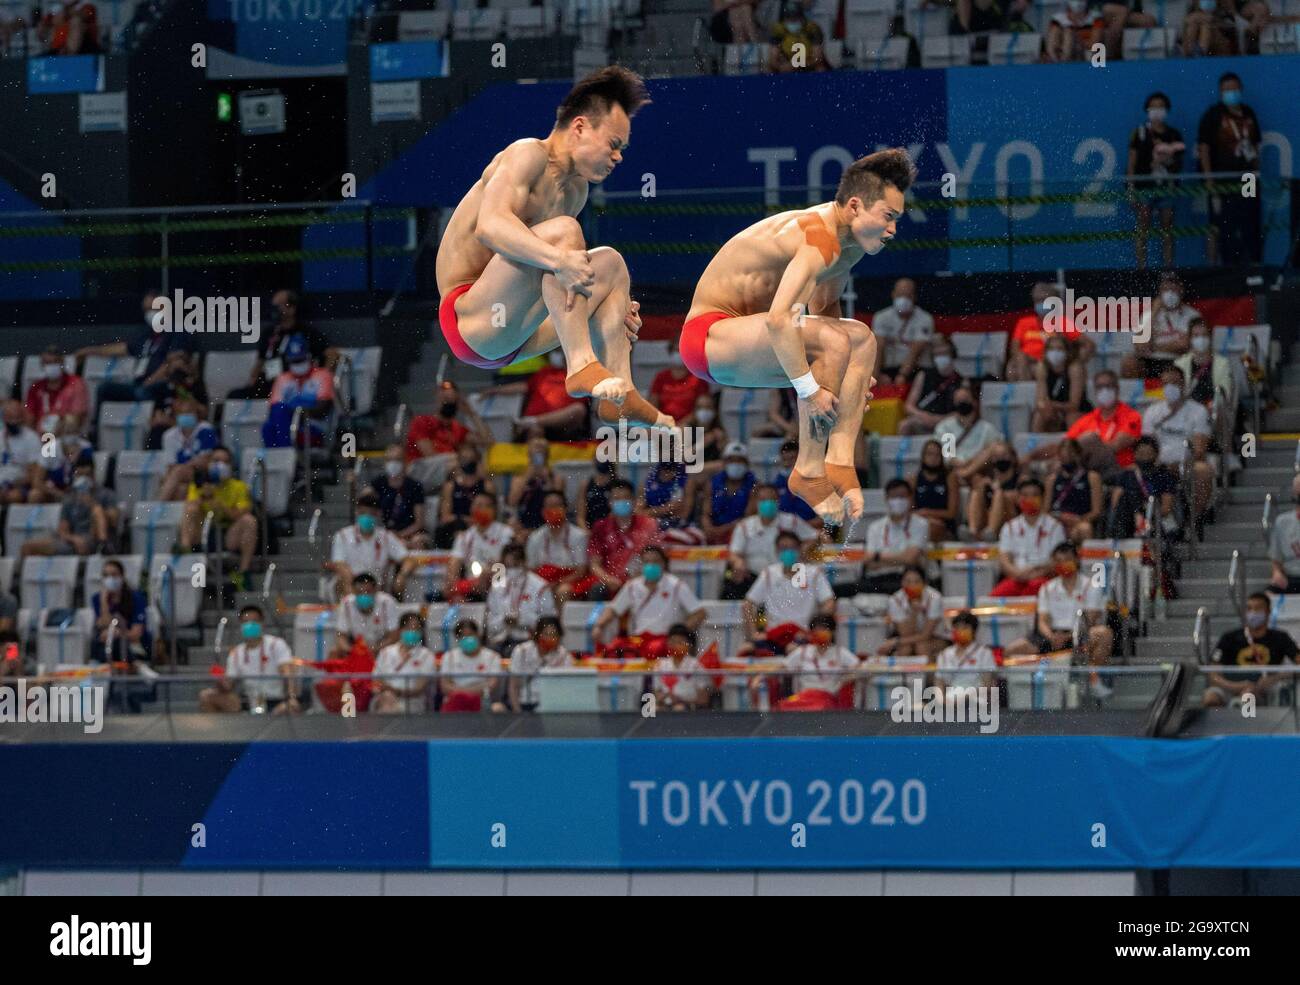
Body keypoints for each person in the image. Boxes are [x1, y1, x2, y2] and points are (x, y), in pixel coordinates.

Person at [681, 148, 913, 523]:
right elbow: (779, 320)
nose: (893, 230)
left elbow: (825, 314)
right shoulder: (819, 237)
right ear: (855, 206)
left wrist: (847, 377)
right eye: (889, 217)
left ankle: (838, 460)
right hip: (709, 338)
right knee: (835, 342)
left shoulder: (849, 245)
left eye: (898, 220)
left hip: (751, 344)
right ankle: (807, 468)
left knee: (862, 339)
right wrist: (810, 389)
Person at [434, 66, 669, 428]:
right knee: (564, 235)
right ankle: (580, 365)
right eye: (613, 144)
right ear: (579, 127)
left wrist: (608, 308)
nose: (619, 157)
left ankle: (620, 394)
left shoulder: (576, 190)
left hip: (517, 332)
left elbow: (557, 288)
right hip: (469, 317)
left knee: (611, 265)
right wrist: (561, 259)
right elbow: (490, 226)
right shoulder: (527, 154)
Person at [1005, 542, 1113, 684]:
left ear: (1076, 560)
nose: (1063, 564)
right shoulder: (1047, 588)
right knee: (1012, 650)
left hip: (1078, 634)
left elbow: (1090, 619)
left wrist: (1069, 636)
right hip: (1052, 635)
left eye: (1067, 560)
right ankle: (1020, 691)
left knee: (1103, 634)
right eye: (1058, 561)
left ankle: (1094, 681)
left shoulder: (1091, 585)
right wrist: (1052, 637)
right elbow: (1042, 621)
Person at [76, 289, 190, 405]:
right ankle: (96, 423)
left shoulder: (177, 331)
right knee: (104, 389)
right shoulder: (147, 334)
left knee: (141, 392)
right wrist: (89, 351)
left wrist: (148, 383)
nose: (150, 313)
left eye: (153, 309)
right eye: (146, 310)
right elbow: (122, 348)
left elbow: (171, 364)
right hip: (139, 383)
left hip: (160, 385)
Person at [1197, 72, 1262, 265]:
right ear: (1220, 92)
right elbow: (1204, 148)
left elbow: (1256, 146)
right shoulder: (1213, 115)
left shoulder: (1249, 113)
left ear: (1241, 90)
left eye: (1234, 89)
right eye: (1226, 90)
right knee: (1223, 224)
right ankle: (1228, 267)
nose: (1231, 93)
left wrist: (1257, 172)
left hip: (1248, 177)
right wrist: (1209, 181)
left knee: (1250, 219)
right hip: (1222, 178)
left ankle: (1253, 264)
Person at [1141, 364, 1213, 530]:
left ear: (1183, 384)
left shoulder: (1198, 411)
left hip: (1185, 463)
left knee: (1203, 470)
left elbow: (1200, 449)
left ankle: (1193, 522)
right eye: (1166, 384)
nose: (1170, 388)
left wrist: (1180, 464)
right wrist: (1159, 464)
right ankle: (1147, 524)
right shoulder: (1152, 412)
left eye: (1175, 383)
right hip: (1158, 464)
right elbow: (1146, 447)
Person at [227, 289, 333, 400]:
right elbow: (260, 361)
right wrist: (254, 378)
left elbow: (332, 354)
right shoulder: (269, 333)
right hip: (269, 382)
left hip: (292, 384)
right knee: (235, 396)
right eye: (273, 306)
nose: (275, 310)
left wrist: (320, 379)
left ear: (292, 308)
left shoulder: (306, 332)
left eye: (278, 306)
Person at [179, 446, 259, 590]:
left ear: (230, 466)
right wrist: (205, 496)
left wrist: (219, 504)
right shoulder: (199, 484)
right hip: (202, 531)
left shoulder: (239, 487)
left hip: (227, 534)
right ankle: (185, 552)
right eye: (216, 461)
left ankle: (243, 573)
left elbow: (241, 513)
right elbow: (191, 505)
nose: (220, 465)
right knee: (190, 509)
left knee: (249, 521)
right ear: (209, 463)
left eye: (225, 462)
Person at [199, 604, 298, 714]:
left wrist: (291, 697)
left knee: (290, 707)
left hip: (275, 700)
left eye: (254, 621)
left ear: (262, 623)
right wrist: (221, 683)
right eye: (245, 621)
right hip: (249, 701)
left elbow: (287, 672)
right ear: (241, 625)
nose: (250, 625)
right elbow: (229, 686)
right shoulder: (236, 653)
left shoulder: (276, 644)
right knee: (206, 696)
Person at [1203, 592, 1296, 707]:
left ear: (1268, 612)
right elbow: (1212, 673)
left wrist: (1275, 678)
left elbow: (1298, 664)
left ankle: (1246, 722)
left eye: (1257, 609)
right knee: (1211, 697)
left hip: (1265, 690)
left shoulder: (1280, 638)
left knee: (1248, 696)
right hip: (1230, 686)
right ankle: (1214, 724)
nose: (1253, 613)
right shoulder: (1230, 637)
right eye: (1249, 608)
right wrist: (1235, 686)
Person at [594, 545, 706, 641]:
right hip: (638, 640)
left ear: (664, 564)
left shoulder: (677, 585)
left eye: (655, 561)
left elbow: (700, 613)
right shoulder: (632, 586)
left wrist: (680, 633)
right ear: (641, 565)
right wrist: (599, 626)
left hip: (665, 641)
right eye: (647, 562)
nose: (651, 565)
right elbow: (613, 609)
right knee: (616, 649)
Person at [725, 483, 816, 599]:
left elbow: (813, 536)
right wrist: (737, 562)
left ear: (778, 501)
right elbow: (734, 552)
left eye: (771, 499)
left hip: (785, 575)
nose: (767, 503)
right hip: (753, 577)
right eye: (763, 500)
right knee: (733, 582)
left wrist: (803, 549)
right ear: (755, 503)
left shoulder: (791, 521)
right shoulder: (744, 526)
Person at [743, 530, 836, 643]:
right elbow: (748, 604)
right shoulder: (768, 574)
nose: (788, 552)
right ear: (777, 551)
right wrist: (754, 634)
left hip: (804, 635)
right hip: (774, 636)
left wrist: (816, 630)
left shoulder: (814, 573)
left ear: (799, 549)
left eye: (792, 548)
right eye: (783, 548)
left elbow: (829, 602)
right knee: (745, 650)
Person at [1041, 369, 1142, 472]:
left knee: (1090, 439)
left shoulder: (1131, 416)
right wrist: (1031, 457)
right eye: (1100, 387)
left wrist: (1087, 446)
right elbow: (1067, 444)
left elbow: (1115, 446)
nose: (1105, 391)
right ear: (1095, 391)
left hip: (1117, 468)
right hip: (1088, 469)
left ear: (1117, 389)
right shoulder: (1087, 419)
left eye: (1108, 386)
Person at [1127, 93, 1185, 270]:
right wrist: (1130, 189)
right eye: (1153, 107)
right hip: (1144, 188)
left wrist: (1166, 161)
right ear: (1147, 110)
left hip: (1166, 188)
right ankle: (1141, 269)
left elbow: (1178, 164)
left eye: (1161, 106)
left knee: (1167, 228)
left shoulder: (1174, 134)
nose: (1157, 111)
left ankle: (1168, 269)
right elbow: (1131, 162)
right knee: (1142, 228)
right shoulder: (1140, 132)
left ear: (1166, 110)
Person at [480, 350, 589, 442]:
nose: (564, 357)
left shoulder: (579, 378)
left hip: (560, 424)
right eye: (563, 354)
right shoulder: (546, 371)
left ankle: (531, 422)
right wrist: (495, 390)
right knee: (535, 430)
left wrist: (534, 421)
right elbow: (524, 387)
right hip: (532, 424)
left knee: (578, 409)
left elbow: (580, 408)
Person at [406, 380, 493, 492]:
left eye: (452, 399)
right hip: (420, 471)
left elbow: (488, 441)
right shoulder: (422, 421)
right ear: (438, 399)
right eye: (445, 398)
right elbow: (429, 455)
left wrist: (472, 413)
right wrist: (460, 459)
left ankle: (480, 498)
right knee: (461, 461)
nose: (448, 402)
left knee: (478, 465)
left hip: (448, 470)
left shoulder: (457, 428)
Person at [326, 492, 415, 600]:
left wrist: (402, 576)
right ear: (357, 512)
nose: (366, 517)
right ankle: (350, 608)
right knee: (343, 580)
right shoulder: (342, 536)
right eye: (363, 513)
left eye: (371, 514)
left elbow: (409, 559)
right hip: (351, 586)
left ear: (377, 514)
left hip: (376, 589)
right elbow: (339, 564)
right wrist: (357, 589)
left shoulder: (386, 537)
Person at [20, 458, 111, 558]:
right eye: (80, 475)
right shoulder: (70, 498)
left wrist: (92, 504)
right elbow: (63, 530)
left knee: (97, 510)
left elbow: (114, 520)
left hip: (93, 539)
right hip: (73, 541)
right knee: (27, 547)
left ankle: (102, 548)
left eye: (87, 475)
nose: (84, 479)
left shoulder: (105, 494)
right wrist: (74, 539)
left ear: (93, 475)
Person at [766, 613, 861, 706]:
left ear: (832, 632)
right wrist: (760, 677)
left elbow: (859, 667)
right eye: (817, 630)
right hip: (803, 697)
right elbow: (781, 667)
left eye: (824, 629)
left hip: (827, 699)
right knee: (782, 706)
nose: (820, 632)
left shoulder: (840, 653)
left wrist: (844, 679)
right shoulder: (802, 651)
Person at [992, 477, 1067, 596]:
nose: (1029, 499)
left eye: (1034, 495)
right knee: (993, 599)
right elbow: (1004, 559)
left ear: (1042, 498)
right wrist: (1017, 574)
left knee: (1033, 589)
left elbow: (1058, 560)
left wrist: (1035, 574)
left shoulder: (1055, 527)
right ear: (1018, 499)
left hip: (1044, 578)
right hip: (1017, 577)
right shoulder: (1010, 527)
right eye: (1025, 495)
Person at [587, 479, 660, 597]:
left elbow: (656, 559)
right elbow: (594, 564)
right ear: (610, 502)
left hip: (640, 579)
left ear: (634, 501)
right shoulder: (600, 527)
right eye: (616, 498)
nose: (621, 501)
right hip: (610, 582)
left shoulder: (649, 524)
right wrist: (608, 579)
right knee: (597, 589)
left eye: (626, 498)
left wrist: (636, 579)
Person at [1007, 283, 1091, 381]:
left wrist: (1074, 362)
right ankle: (1025, 389)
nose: (1041, 304)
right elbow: (1014, 348)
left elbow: (1088, 344)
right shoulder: (1024, 323)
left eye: (1044, 300)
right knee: (1015, 364)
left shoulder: (1062, 322)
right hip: (1027, 362)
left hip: (1051, 363)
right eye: (1038, 300)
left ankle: (1026, 389)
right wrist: (1024, 359)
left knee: (1033, 367)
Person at [1121, 272, 1198, 379]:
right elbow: (1140, 346)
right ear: (1159, 293)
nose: (1170, 293)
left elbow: (1183, 346)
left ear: (1181, 291)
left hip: (1178, 361)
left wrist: (1152, 347)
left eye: (1173, 289)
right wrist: (1154, 312)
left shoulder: (1191, 315)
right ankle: (1135, 395)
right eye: (1165, 290)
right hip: (1151, 361)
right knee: (1129, 363)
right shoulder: (1149, 315)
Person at [484, 542, 557, 654]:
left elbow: (549, 622)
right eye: (508, 566)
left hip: (529, 639)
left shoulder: (540, 586)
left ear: (524, 562)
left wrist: (522, 620)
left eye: (515, 565)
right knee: (489, 655)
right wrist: (503, 620)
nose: (511, 570)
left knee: (512, 652)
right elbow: (490, 623)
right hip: (501, 638)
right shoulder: (497, 586)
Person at [862, 478, 931, 595]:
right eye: (894, 497)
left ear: (910, 498)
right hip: (877, 580)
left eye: (902, 496)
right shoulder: (875, 527)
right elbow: (868, 561)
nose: (898, 501)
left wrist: (878, 556)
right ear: (886, 499)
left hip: (906, 581)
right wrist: (901, 558)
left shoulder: (921, 524)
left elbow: (911, 559)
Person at [525, 489, 592, 604]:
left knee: (562, 592)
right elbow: (531, 569)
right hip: (542, 580)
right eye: (549, 506)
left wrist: (557, 583)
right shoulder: (535, 537)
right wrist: (543, 584)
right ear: (543, 511)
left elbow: (581, 570)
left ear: (565, 509)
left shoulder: (579, 536)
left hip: (570, 579)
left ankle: (560, 622)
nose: (553, 509)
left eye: (557, 505)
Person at [444, 493, 515, 600]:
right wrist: (453, 587)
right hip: (473, 586)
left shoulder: (505, 532)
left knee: (498, 571)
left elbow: (508, 561)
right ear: (471, 509)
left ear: (494, 510)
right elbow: (454, 563)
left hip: (499, 581)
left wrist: (487, 574)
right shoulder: (465, 537)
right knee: (451, 590)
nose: (483, 509)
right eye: (479, 506)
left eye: (488, 506)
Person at [267, 335, 335, 445]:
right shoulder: (282, 378)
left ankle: (286, 453)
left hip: (312, 426)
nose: (298, 364)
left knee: (282, 420)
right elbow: (274, 408)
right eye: (294, 361)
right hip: (287, 425)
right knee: (268, 428)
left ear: (309, 357)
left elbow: (323, 409)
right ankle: (280, 456)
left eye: (300, 360)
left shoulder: (323, 375)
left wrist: (296, 412)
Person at [1109, 435, 1179, 539]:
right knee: (1125, 498)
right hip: (1129, 520)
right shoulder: (1126, 475)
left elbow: (1166, 508)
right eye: (1141, 454)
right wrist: (1136, 513)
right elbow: (1115, 503)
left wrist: (1146, 516)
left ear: (1156, 454)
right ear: (1135, 454)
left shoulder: (1164, 476)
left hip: (1155, 520)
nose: (1145, 458)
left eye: (1148, 454)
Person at [364, 445, 430, 550]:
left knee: (418, 541)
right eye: (389, 460)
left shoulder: (415, 486)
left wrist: (400, 535)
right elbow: (364, 505)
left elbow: (419, 522)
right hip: (385, 533)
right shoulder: (378, 483)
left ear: (405, 462)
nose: (393, 464)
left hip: (409, 533)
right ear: (385, 463)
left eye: (397, 460)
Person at [932, 384, 1002, 482]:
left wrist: (970, 464)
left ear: (975, 402)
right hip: (952, 471)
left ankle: (966, 473)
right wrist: (962, 464)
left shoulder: (986, 428)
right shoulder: (946, 427)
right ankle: (965, 474)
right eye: (958, 400)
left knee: (994, 447)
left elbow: (998, 450)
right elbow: (948, 456)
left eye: (965, 399)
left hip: (978, 470)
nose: (962, 402)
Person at [371, 611, 437, 714]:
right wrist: (387, 692)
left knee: (389, 708)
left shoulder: (427, 656)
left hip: (412, 702)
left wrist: (395, 692)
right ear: (400, 630)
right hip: (384, 697)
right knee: (386, 702)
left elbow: (419, 688)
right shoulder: (385, 652)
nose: (412, 632)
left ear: (421, 632)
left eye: (416, 629)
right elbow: (376, 680)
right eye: (409, 628)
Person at [433, 446, 499, 549]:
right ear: (459, 462)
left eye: (471, 459)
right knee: (453, 529)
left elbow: (492, 516)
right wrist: (464, 520)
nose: (468, 462)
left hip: (480, 526)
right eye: (464, 459)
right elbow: (445, 517)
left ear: (477, 461)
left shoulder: (487, 486)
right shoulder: (450, 486)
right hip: (456, 525)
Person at [871, 277, 935, 384]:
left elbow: (916, 350)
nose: (903, 299)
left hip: (916, 370)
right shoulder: (881, 317)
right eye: (900, 295)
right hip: (888, 369)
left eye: (907, 295)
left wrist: (903, 375)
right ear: (893, 294)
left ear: (914, 297)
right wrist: (875, 376)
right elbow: (878, 347)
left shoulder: (925, 318)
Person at [88, 558, 150, 665]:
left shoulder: (136, 598)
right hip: (109, 645)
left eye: (114, 574)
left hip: (132, 645)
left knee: (118, 644)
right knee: (98, 645)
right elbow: (104, 626)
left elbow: (136, 634)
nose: (110, 579)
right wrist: (104, 602)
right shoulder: (97, 598)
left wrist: (118, 634)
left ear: (122, 576)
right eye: (106, 575)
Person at [507, 615, 574, 712]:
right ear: (538, 634)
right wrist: (518, 712)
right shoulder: (522, 651)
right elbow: (513, 686)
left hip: (552, 706)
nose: (550, 638)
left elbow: (566, 689)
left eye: (554, 634)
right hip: (526, 703)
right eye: (546, 634)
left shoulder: (564, 656)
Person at [157, 397, 219, 501]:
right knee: (182, 489)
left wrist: (183, 468)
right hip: (180, 478)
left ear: (196, 414)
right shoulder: (169, 435)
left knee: (177, 472)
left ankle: (156, 506)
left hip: (204, 474)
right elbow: (170, 465)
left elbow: (205, 461)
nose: (186, 416)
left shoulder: (205, 429)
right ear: (176, 415)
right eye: (182, 413)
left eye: (190, 412)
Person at [899, 336, 963, 435]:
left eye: (944, 353)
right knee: (905, 425)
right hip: (923, 419)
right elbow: (909, 406)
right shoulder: (923, 375)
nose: (940, 357)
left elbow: (960, 412)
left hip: (947, 421)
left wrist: (938, 419)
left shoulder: (960, 380)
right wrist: (924, 416)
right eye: (937, 354)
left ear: (952, 354)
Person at [878, 565, 946, 658]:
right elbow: (906, 634)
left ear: (924, 583)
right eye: (908, 581)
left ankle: (928, 673)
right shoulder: (895, 600)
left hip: (937, 638)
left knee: (921, 647)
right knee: (905, 649)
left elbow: (926, 635)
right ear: (902, 583)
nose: (912, 586)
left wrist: (895, 642)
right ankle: (901, 673)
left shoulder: (934, 598)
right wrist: (914, 613)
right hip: (909, 639)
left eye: (917, 582)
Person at [439, 618, 505, 712]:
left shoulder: (493, 657)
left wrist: (460, 690)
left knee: (498, 708)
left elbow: (491, 686)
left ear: (478, 635)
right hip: (455, 703)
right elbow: (445, 687)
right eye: (463, 636)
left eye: (470, 635)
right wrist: (478, 687)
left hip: (482, 702)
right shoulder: (449, 657)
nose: (467, 638)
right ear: (457, 639)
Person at [1044, 438, 1103, 541]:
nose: (1068, 459)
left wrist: (1078, 520)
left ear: (1079, 455)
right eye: (1064, 457)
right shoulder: (1052, 480)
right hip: (1057, 520)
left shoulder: (1092, 477)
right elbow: (1045, 510)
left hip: (1080, 520)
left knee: (1085, 529)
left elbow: (1096, 511)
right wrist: (1060, 518)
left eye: (1071, 455)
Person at [334, 571, 401, 660]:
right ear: (353, 591)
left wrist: (376, 649)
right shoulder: (346, 603)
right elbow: (341, 636)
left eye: (367, 592)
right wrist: (351, 651)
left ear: (376, 590)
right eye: (359, 592)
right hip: (357, 647)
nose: (363, 595)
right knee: (334, 652)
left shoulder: (387, 602)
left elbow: (394, 636)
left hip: (382, 647)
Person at [24, 346, 87, 436]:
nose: (51, 366)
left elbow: (78, 417)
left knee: (70, 420)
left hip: (66, 435)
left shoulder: (76, 384)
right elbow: (29, 417)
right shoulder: (36, 387)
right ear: (42, 365)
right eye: (47, 363)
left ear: (62, 362)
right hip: (40, 436)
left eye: (55, 362)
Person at [701, 441, 756, 544]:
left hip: (740, 531)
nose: (735, 464)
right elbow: (705, 513)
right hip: (714, 530)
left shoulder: (753, 485)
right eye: (731, 460)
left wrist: (723, 530)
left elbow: (748, 517)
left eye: (739, 461)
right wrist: (708, 527)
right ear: (724, 463)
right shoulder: (713, 483)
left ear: (747, 464)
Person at [966, 442, 1022, 541]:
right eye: (997, 456)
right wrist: (981, 488)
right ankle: (972, 531)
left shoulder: (1020, 479)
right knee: (976, 493)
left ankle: (991, 531)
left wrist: (998, 490)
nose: (1000, 459)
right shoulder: (987, 480)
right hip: (985, 521)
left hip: (1010, 520)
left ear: (1013, 458)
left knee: (999, 494)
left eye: (1004, 455)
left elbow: (1020, 499)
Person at [1174, 317, 1234, 411]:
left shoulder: (1223, 364)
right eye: (1196, 335)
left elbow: (1225, 394)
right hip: (1188, 414)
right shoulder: (1179, 364)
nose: (1201, 339)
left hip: (1215, 412)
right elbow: (1176, 395)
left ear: (1210, 337)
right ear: (1190, 339)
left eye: (1204, 335)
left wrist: (1210, 407)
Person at [1031, 333, 1087, 432]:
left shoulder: (1075, 367)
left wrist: (1053, 405)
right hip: (1054, 410)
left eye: (1059, 349)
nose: (1055, 352)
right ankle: (1033, 444)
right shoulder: (1042, 367)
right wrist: (1046, 408)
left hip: (1076, 410)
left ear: (1067, 351)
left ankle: (1071, 446)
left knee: (1071, 418)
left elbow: (1075, 405)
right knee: (1039, 415)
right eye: (1051, 349)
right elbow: (1040, 400)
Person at [648, 341, 712, 426]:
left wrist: (682, 425)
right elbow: (653, 405)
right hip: (663, 425)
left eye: (681, 350)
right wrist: (662, 424)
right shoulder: (661, 377)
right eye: (676, 350)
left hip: (689, 425)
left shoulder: (698, 378)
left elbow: (703, 406)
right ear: (670, 353)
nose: (678, 353)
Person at [641, 459, 703, 545]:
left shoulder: (687, 480)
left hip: (681, 526)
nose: (666, 473)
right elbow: (638, 513)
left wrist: (653, 512)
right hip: (655, 526)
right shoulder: (650, 478)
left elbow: (684, 513)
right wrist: (665, 509)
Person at [653, 624, 712, 711]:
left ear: (689, 645)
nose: (675, 646)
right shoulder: (660, 664)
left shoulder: (696, 666)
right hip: (665, 706)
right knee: (655, 709)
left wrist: (680, 700)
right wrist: (665, 697)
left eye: (680, 642)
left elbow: (703, 699)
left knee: (679, 708)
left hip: (689, 708)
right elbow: (656, 693)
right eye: (672, 642)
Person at [934, 611, 996, 692]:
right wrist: (942, 700)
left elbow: (987, 685)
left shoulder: (985, 653)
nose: (960, 631)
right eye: (957, 627)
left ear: (974, 631)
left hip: (976, 700)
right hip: (950, 701)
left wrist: (965, 697)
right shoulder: (944, 654)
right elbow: (938, 683)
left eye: (965, 628)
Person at [911, 438, 959, 541]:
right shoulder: (914, 480)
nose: (933, 458)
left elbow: (951, 513)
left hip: (944, 525)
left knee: (932, 526)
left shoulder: (950, 478)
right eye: (929, 454)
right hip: (921, 522)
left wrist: (927, 512)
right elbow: (910, 511)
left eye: (937, 455)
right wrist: (924, 517)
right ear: (923, 457)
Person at [0, 399, 45, 505]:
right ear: (4, 418)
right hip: (2, 482)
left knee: (13, 496)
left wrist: (15, 483)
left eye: (18, 418)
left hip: (20, 485)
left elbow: (34, 472)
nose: (15, 422)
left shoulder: (31, 438)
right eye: (11, 419)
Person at [767, 0, 831, 72]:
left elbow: (817, 57)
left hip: (808, 65)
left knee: (820, 68)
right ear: (784, 18)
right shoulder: (778, 30)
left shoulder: (812, 29)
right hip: (786, 65)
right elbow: (773, 59)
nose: (792, 21)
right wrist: (782, 67)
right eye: (789, 18)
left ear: (802, 17)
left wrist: (798, 65)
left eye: (795, 18)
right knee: (769, 69)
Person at [771, 438, 819, 525]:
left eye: (792, 459)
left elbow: (825, 520)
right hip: (783, 533)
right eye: (785, 460)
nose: (788, 463)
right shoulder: (776, 485)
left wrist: (800, 528)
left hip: (810, 530)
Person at [1269, 474, 1300, 594]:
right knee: (1267, 597)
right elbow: (1276, 560)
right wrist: (1276, 573)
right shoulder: (1282, 521)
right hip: (1290, 577)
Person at [577, 459, 617, 530]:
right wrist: (587, 532)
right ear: (594, 461)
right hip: (589, 528)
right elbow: (580, 517)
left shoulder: (616, 485)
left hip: (609, 529)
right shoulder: (585, 485)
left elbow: (615, 514)